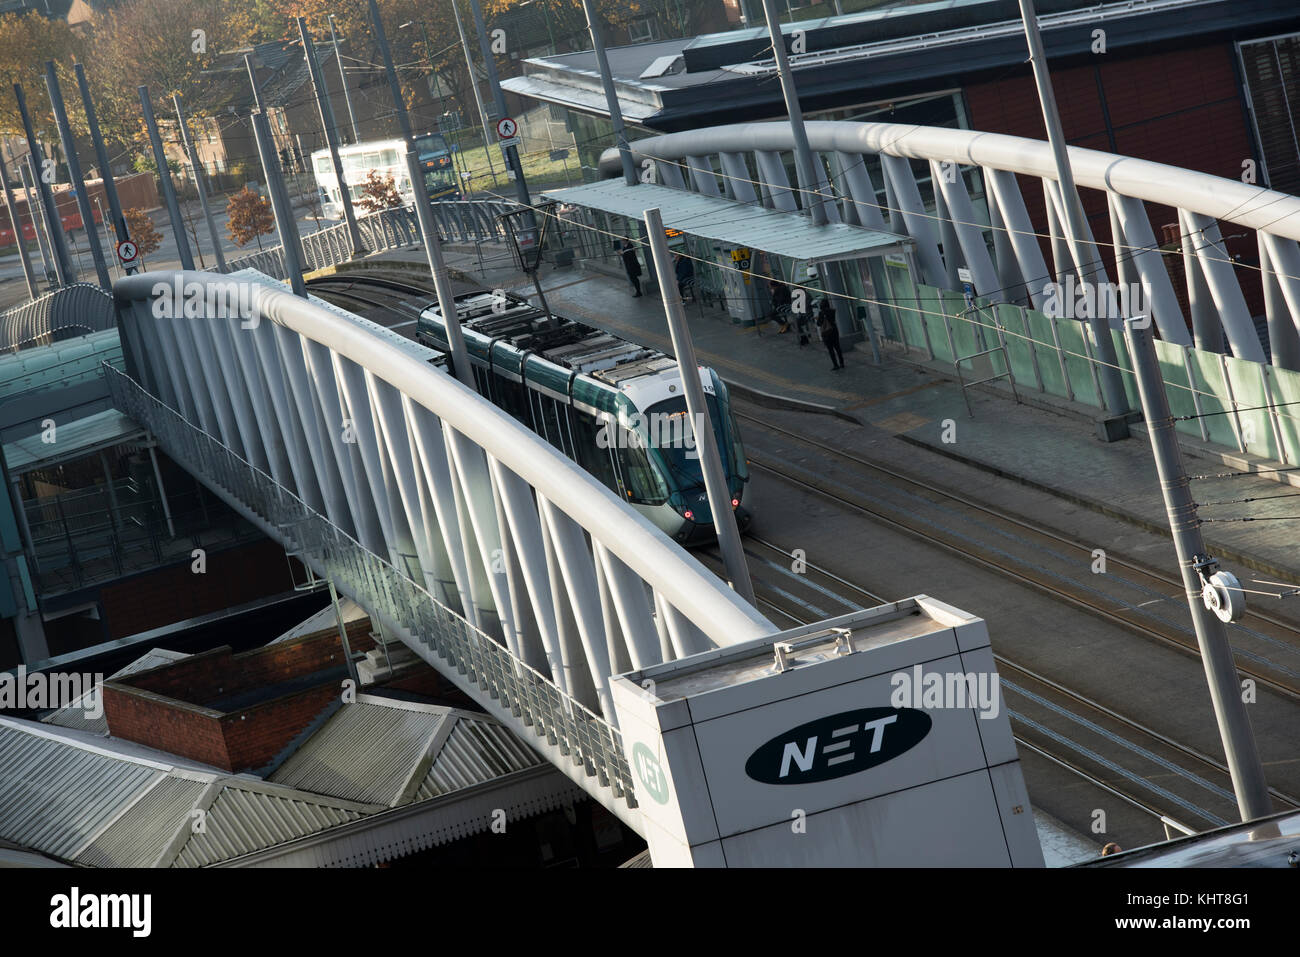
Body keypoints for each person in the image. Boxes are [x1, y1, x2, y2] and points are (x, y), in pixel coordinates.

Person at [817, 297, 845, 370]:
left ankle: (835, 365)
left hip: (826, 333)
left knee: (831, 350)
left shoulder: (821, 313)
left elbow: (819, 324)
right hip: (834, 331)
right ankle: (842, 363)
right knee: (837, 348)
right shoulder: (833, 311)